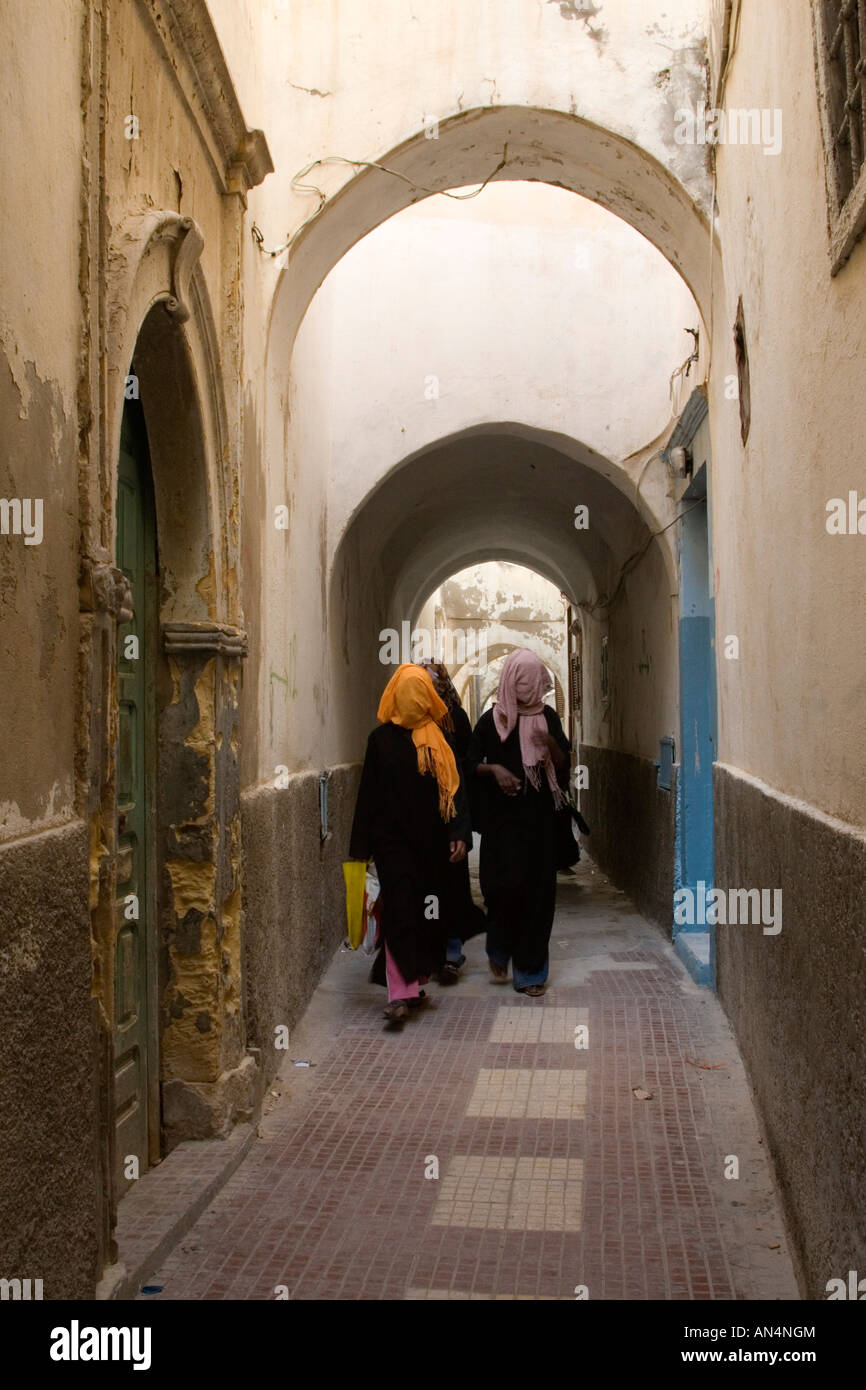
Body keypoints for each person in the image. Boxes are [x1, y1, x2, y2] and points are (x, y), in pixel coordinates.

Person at [348, 664, 470, 1022]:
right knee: (400, 911)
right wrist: (360, 848)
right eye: (409, 692)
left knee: (425, 913)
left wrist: (458, 833)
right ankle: (399, 994)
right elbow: (367, 796)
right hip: (392, 846)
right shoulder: (380, 740)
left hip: (430, 845)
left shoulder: (439, 740)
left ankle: (415, 980)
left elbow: (455, 791)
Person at [466, 648, 570, 996]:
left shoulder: (549, 718)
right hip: (502, 826)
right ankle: (498, 949)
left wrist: (549, 744)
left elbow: (564, 762)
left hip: (540, 826)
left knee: (538, 897)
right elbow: (467, 764)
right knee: (502, 893)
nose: (529, 687)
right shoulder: (491, 721)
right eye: (522, 679)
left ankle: (531, 972)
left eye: (534, 679)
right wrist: (493, 770)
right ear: (511, 680)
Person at [421, 661, 487, 982]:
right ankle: (431, 950)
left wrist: (462, 825)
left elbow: (465, 772)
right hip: (423, 823)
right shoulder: (412, 725)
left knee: (451, 888)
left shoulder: (455, 720)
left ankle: (451, 951)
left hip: (451, 816)